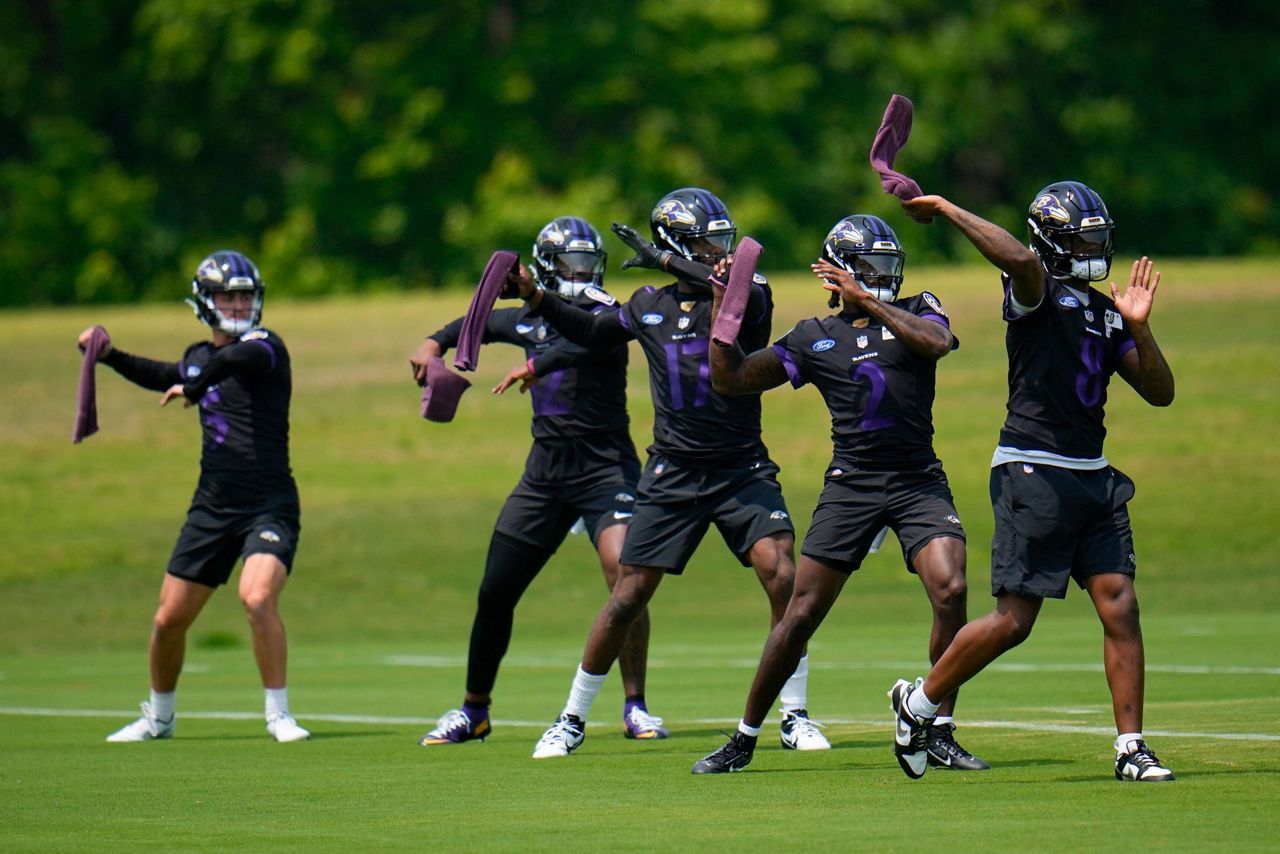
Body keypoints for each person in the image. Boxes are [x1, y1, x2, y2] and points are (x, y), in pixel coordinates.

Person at [511, 188, 829, 758]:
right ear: (679, 245)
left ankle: (795, 713)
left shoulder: (746, 295)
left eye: (722, 240)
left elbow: (735, 294)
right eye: (709, 243)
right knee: (628, 594)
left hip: (740, 466)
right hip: (673, 471)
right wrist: (536, 296)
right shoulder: (646, 305)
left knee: (782, 574)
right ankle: (572, 718)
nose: (720, 252)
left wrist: (665, 257)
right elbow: (590, 331)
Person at [887, 181, 1176, 782]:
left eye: (1100, 237)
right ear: (1051, 242)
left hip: (1093, 476)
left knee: (1120, 606)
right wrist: (942, 205)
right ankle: (918, 704)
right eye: (1082, 238)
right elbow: (1019, 259)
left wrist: (1140, 329)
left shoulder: (1103, 311)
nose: (1095, 247)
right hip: (1033, 469)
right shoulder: (1033, 291)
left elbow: (1159, 393)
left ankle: (1131, 748)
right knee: (1014, 621)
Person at [691, 214, 987, 774]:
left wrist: (871, 301)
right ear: (839, 273)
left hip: (917, 479)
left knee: (951, 589)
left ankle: (936, 726)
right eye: (871, 269)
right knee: (799, 614)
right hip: (852, 484)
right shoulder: (812, 336)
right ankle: (745, 736)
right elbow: (731, 379)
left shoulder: (921, 308)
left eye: (887, 267)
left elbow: (936, 343)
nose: (882, 277)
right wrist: (724, 311)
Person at [408, 216, 668, 745]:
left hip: (606, 469)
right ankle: (474, 711)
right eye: (571, 264)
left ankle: (635, 705)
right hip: (545, 477)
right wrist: (432, 344)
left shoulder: (607, 315)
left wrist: (538, 366)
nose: (582, 273)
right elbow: (470, 325)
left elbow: (589, 345)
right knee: (495, 590)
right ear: (547, 267)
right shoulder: (525, 320)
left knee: (626, 577)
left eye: (588, 263)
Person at [87, 250, 309, 743]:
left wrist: (193, 385)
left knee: (256, 598)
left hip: (268, 505)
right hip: (211, 509)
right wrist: (108, 356)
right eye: (227, 296)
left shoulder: (265, 345)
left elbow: (233, 359)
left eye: (245, 295)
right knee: (168, 621)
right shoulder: (196, 359)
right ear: (204, 301)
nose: (237, 303)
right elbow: (163, 372)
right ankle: (159, 719)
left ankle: (279, 715)